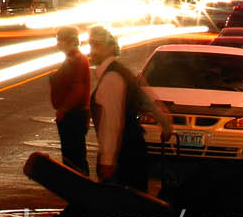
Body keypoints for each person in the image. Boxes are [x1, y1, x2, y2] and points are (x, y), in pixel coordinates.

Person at [89, 30, 173, 190]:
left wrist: (107, 160)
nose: (93, 50)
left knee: (118, 206)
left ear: (110, 47)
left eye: (97, 45)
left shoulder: (111, 77)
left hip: (122, 155)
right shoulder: (121, 72)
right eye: (91, 44)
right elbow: (146, 99)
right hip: (132, 151)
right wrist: (165, 123)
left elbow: (111, 123)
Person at [48, 26, 92, 173]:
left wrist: (63, 109)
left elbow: (77, 88)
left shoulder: (76, 60)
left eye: (59, 39)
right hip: (74, 114)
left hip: (73, 115)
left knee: (73, 158)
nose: (57, 43)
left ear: (68, 41)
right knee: (73, 156)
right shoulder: (74, 59)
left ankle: (79, 189)